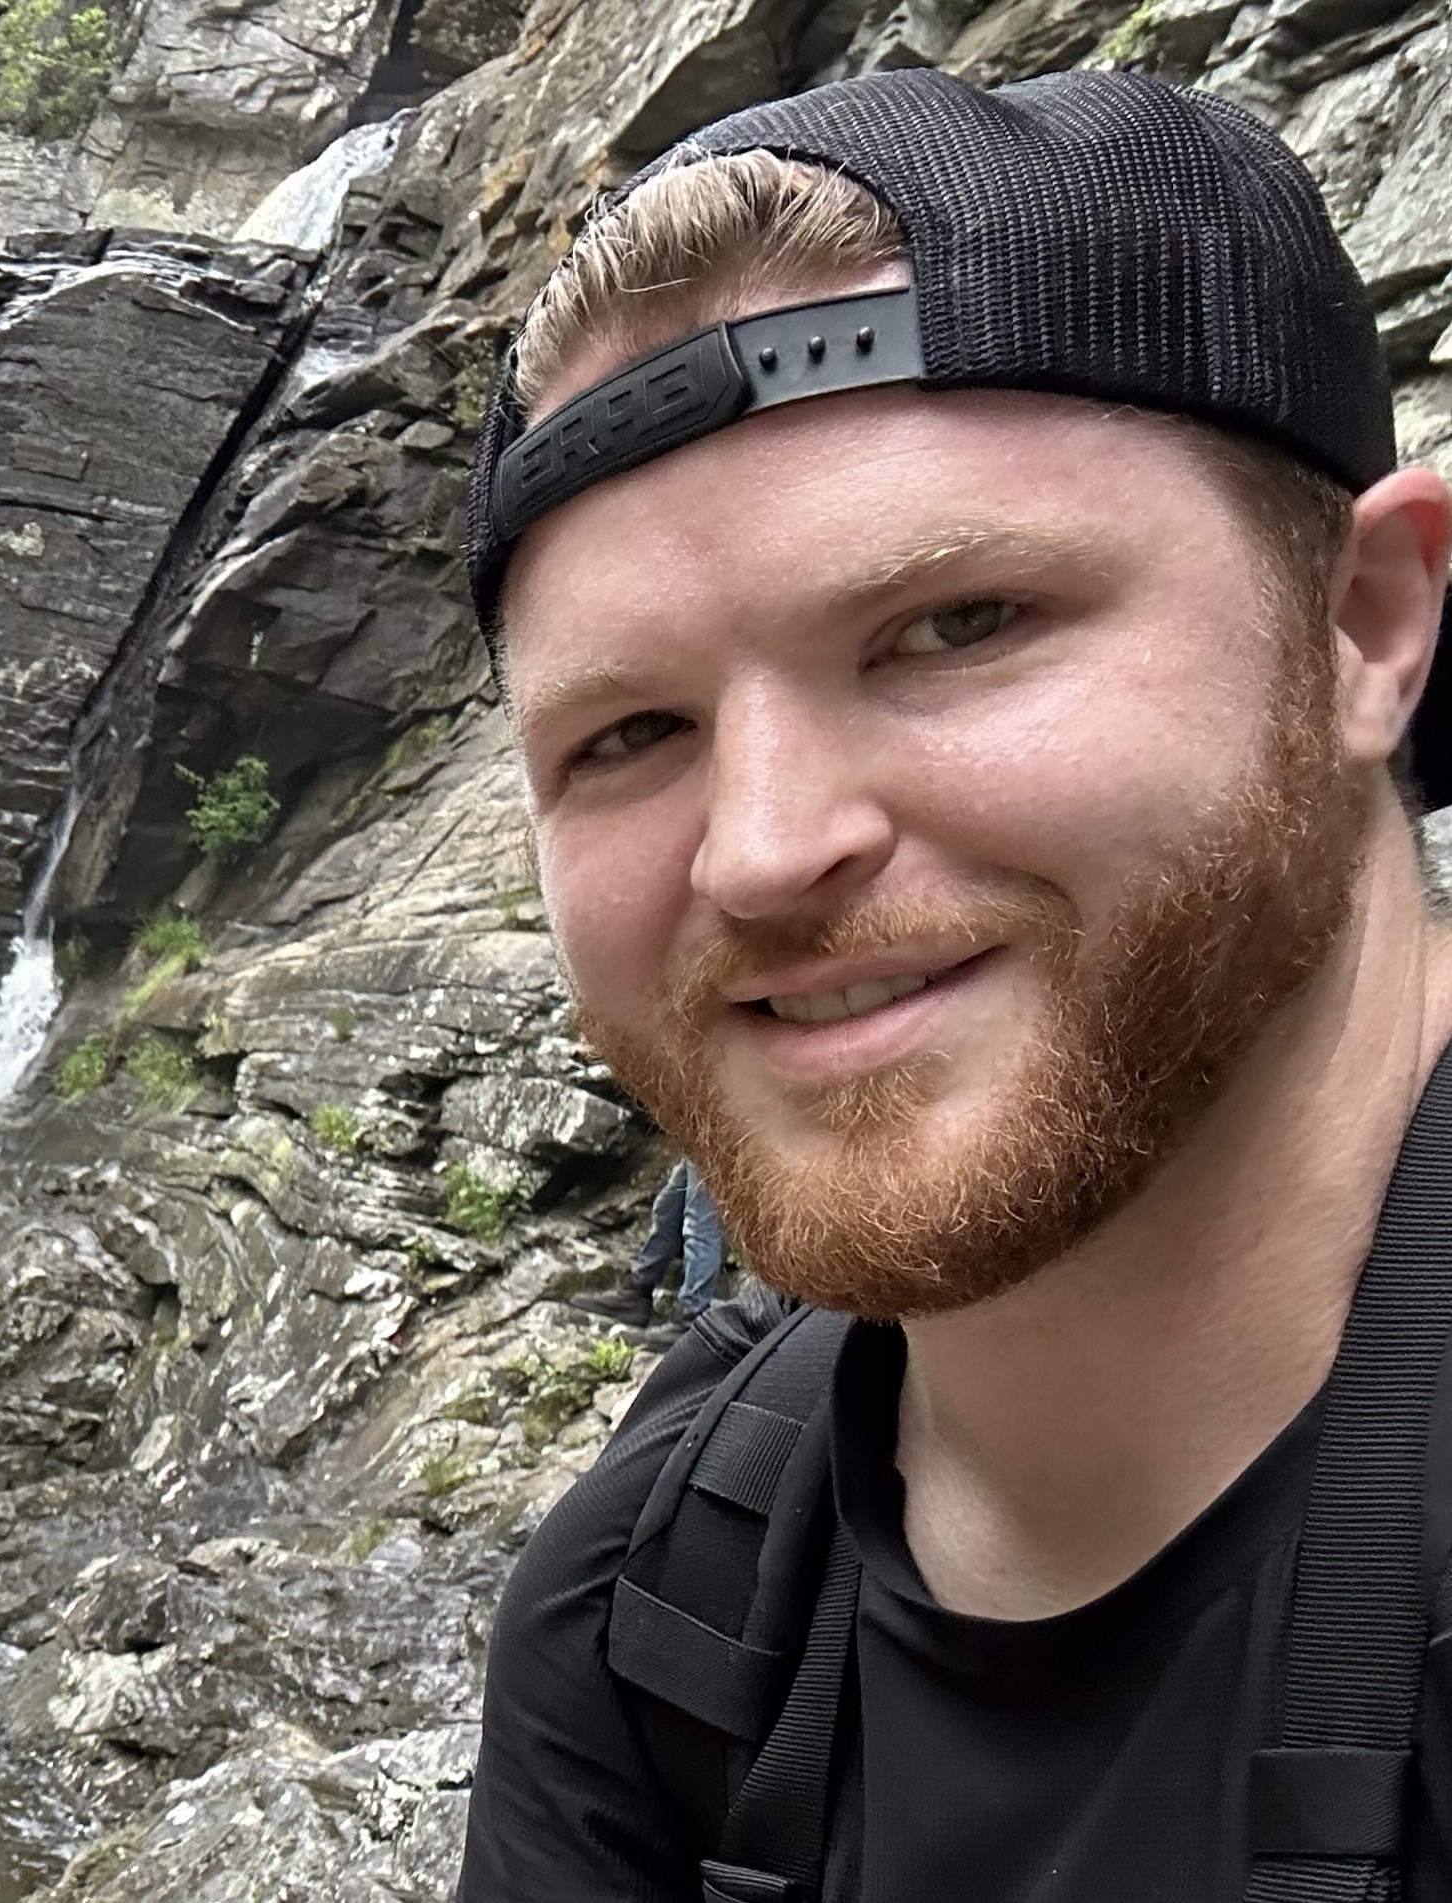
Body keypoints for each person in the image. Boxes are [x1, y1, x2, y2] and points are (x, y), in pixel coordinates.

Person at [454, 66, 1452, 1903]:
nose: (760, 847)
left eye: (954, 625)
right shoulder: (651, 1610)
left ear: (1367, 624)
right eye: (628, 733)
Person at [572, 1156, 727, 1333]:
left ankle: (690, 1318)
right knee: (668, 1209)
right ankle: (637, 1292)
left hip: (720, 1142)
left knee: (700, 1225)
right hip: (705, 1139)